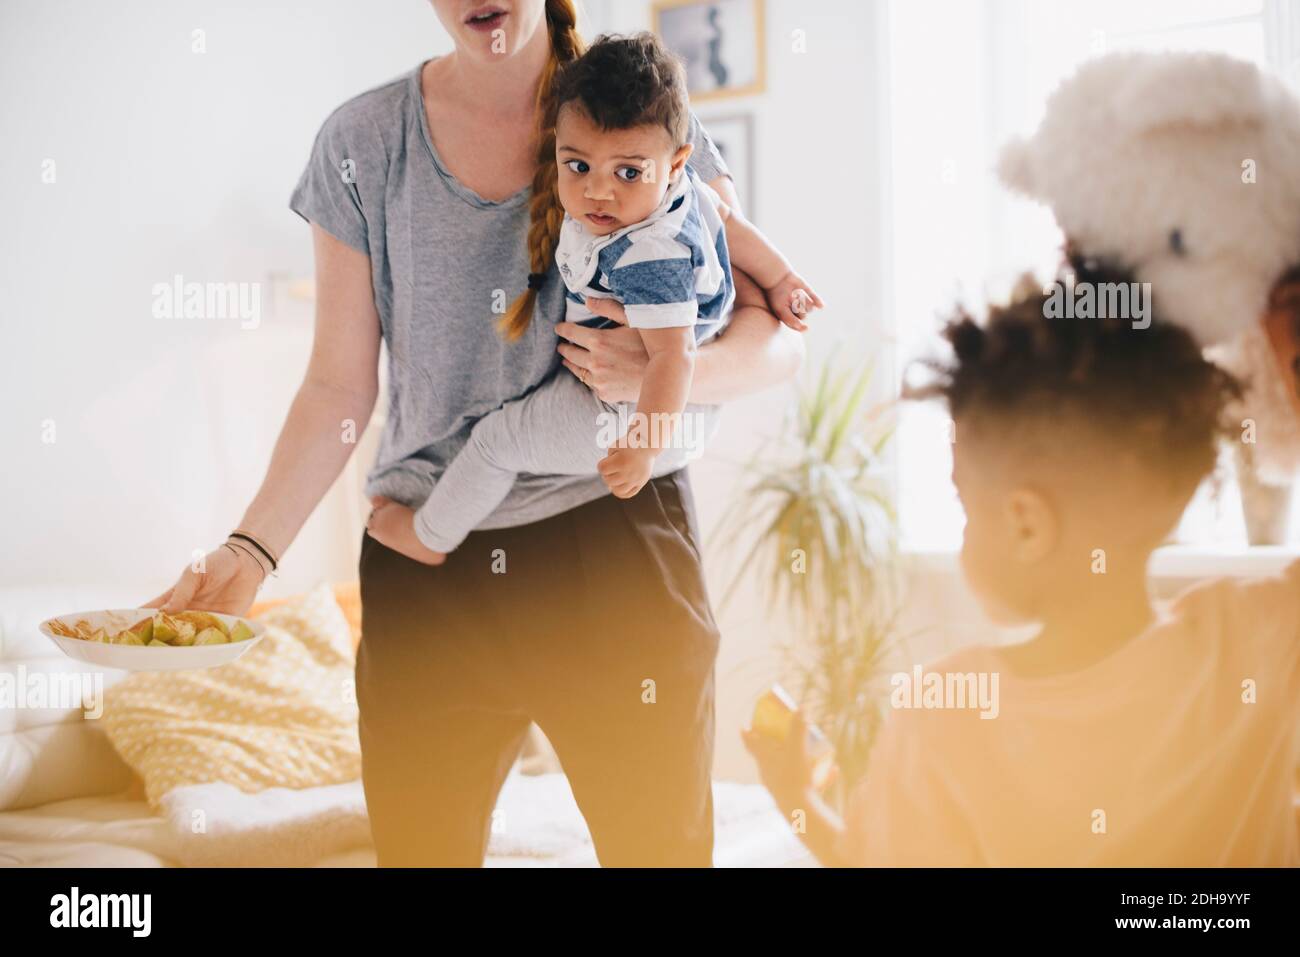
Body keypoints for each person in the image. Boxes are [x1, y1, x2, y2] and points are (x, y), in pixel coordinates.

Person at [145, 0, 804, 867]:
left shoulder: (633, 110)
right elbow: (339, 385)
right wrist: (252, 547)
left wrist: (656, 385)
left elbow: (776, 342)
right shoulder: (363, 142)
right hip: (430, 573)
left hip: (617, 544)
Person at [746, 262, 1300, 866]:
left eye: (964, 503)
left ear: (1026, 524)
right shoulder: (1258, 637)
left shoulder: (945, 715)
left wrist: (802, 800)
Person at [366, 33, 820, 563]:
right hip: (666, 409)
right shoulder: (680, 193)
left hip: (635, 411)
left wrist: (642, 447)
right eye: (578, 166)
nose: (599, 192)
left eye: (628, 172)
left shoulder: (651, 255)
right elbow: (729, 223)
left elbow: (675, 357)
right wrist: (784, 278)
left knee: (497, 441)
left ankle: (428, 538)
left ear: (676, 163)